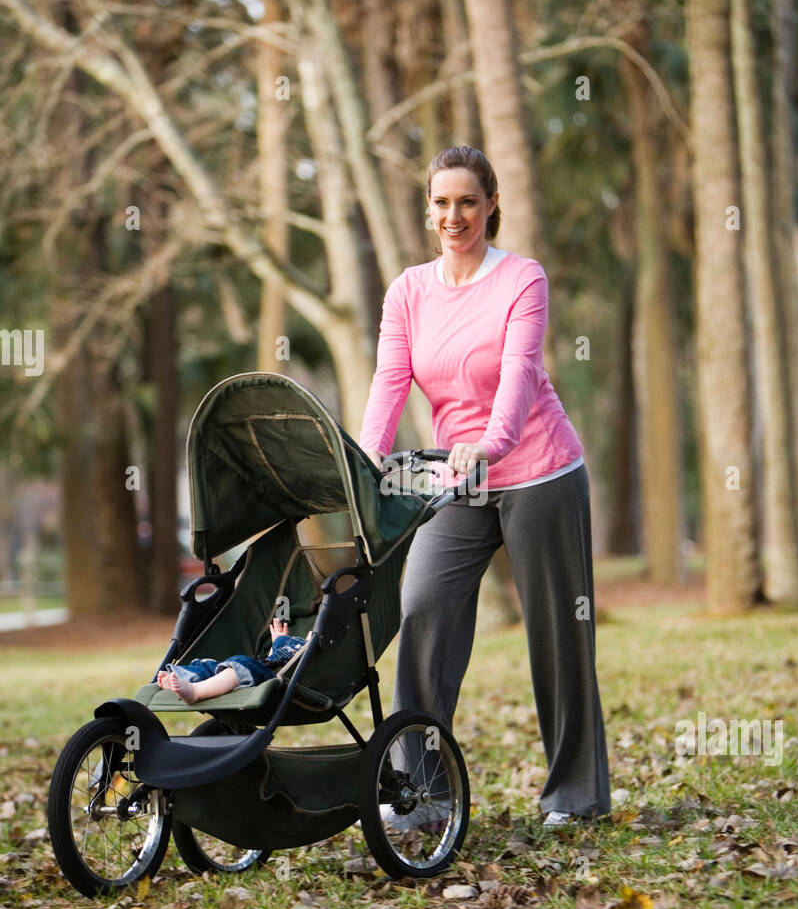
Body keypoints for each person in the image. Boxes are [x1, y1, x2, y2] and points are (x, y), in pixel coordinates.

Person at [359, 145, 610, 828]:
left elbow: (520, 377)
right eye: (441, 202)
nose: (454, 215)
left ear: (491, 204)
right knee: (423, 609)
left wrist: (489, 447)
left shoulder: (521, 279)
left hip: (538, 469)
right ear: (428, 210)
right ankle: (422, 793)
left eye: (467, 201)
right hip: (456, 481)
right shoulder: (409, 291)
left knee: (558, 633)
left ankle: (576, 797)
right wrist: (361, 464)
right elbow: (389, 385)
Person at [156, 618, 307, 705]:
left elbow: (282, 669)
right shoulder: (291, 647)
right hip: (265, 667)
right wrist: (277, 642)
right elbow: (273, 660)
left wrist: (303, 642)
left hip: (272, 679)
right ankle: (181, 676)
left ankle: (195, 691)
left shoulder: (309, 645)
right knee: (209, 665)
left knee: (241, 664)